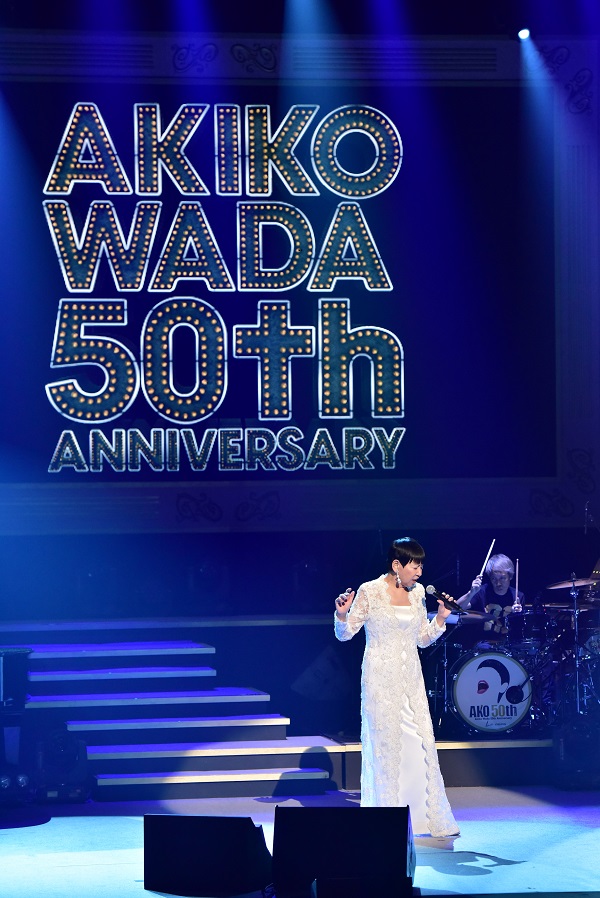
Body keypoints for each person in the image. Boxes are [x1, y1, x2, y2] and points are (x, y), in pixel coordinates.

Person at [334, 537, 459, 838]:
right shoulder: (370, 591)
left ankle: (423, 818)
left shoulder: (418, 594)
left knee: (420, 741)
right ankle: (388, 819)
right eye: (415, 566)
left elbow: (422, 639)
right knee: (386, 746)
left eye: (421, 566)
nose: (419, 572)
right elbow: (346, 634)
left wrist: (441, 619)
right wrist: (341, 614)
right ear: (396, 565)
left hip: (411, 680)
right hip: (380, 680)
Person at [456, 553, 525, 649]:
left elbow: (522, 629)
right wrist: (471, 593)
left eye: (502, 578)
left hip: (508, 645)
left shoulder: (518, 596)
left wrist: (517, 614)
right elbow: (456, 609)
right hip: (483, 644)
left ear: (510, 576)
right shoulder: (482, 591)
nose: (498, 583)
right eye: (494, 579)